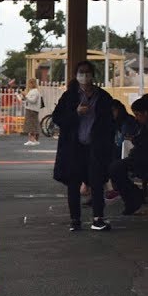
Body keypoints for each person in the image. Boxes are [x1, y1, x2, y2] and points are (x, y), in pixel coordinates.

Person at [51, 61, 116, 231]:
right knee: (73, 184)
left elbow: (109, 123)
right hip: (74, 147)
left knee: (97, 181)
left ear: (93, 75)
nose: (85, 76)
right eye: (81, 72)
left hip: (95, 147)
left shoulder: (103, 97)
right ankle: (75, 220)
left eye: (88, 73)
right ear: (76, 75)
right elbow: (57, 118)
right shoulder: (70, 96)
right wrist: (76, 114)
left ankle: (98, 218)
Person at [109, 93, 148, 215]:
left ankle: (134, 197)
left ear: (146, 113)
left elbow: (145, 143)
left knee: (115, 168)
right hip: (146, 158)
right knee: (115, 167)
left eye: (138, 114)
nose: (136, 118)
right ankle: (134, 196)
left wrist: (136, 140)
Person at [23, 78, 43, 145]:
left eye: (29, 83)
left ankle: (32, 139)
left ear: (32, 84)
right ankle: (34, 139)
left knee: (31, 125)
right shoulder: (33, 91)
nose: (28, 85)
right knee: (34, 124)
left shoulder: (35, 91)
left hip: (32, 110)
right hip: (32, 109)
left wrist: (25, 97)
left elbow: (33, 101)